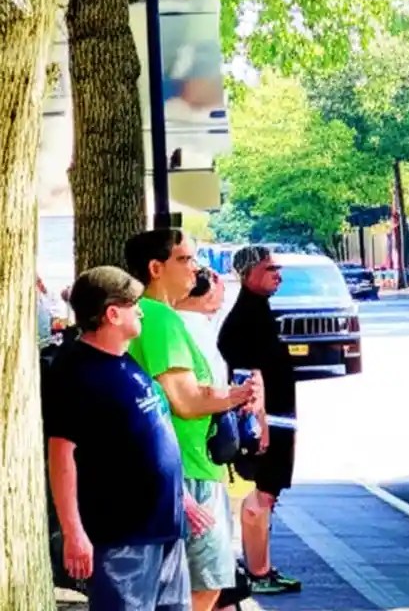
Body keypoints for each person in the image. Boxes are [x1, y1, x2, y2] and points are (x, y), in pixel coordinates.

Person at [125, 229, 258, 611]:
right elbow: (185, 399)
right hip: (192, 467)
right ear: (156, 267)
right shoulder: (161, 317)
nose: (195, 270)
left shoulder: (144, 315)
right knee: (206, 584)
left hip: (175, 465)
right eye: (185, 260)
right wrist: (238, 395)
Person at [43, 266, 190, 611]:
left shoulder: (124, 360)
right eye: (133, 303)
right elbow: (61, 455)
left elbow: (151, 434)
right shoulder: (76, 371)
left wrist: (183, 499)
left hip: (164, 528)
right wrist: (73, 531)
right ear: (112, 313)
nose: (140, 309)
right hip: (122, 537)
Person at [218, 245, 302, 595]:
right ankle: (258, 571)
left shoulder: (260, 314)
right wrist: (262, 425)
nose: (277, 274)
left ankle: (261, 567)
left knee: (270, 492)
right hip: (268, 422)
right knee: (263, 494)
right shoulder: (244, 320)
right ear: (248, 273)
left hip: (280, 417)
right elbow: (248, 379)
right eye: (270, 269)